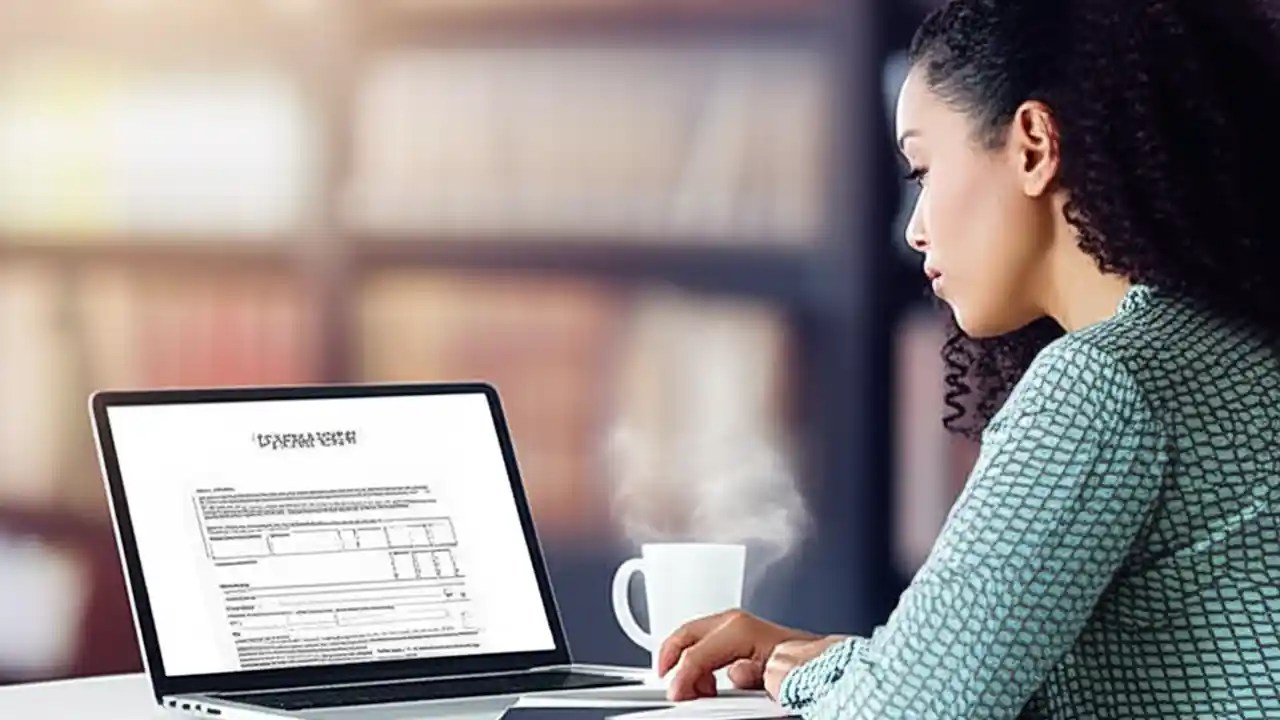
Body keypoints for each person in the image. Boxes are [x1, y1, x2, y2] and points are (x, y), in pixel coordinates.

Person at [654, 0, 1280, 717]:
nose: (915, 229)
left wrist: (815, 676)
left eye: (921, 170)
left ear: (1035, 146)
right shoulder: (1231, 349)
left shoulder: (1108, 382)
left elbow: (910, 714)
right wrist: (866, 667)